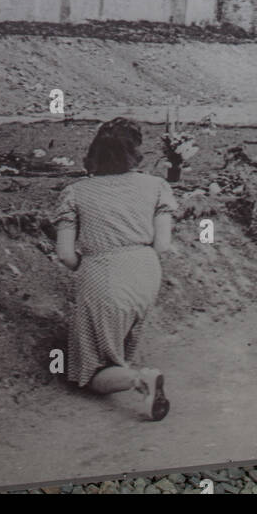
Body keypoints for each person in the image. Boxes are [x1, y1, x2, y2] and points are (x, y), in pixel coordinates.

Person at [54, 118, 175, 420]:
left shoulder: (75, 192)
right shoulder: (157, 186)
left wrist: (90, 266)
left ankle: (139, 379)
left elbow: (66, 255)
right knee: (124, 335)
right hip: (146, 272)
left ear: (93, 154)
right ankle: (129, 369)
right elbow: (162, 245)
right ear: (135, 153)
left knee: (90, 373)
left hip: (102, 273)